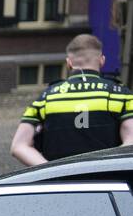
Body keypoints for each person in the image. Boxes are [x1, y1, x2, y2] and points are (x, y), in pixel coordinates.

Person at [11, 34, 133, 166]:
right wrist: (106, 167)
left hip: (61, 184)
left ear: (68, 63)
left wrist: (51, 171)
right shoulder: (121, 95)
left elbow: (19, 146)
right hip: (105, 182)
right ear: (102, 60)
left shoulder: (47, 97)